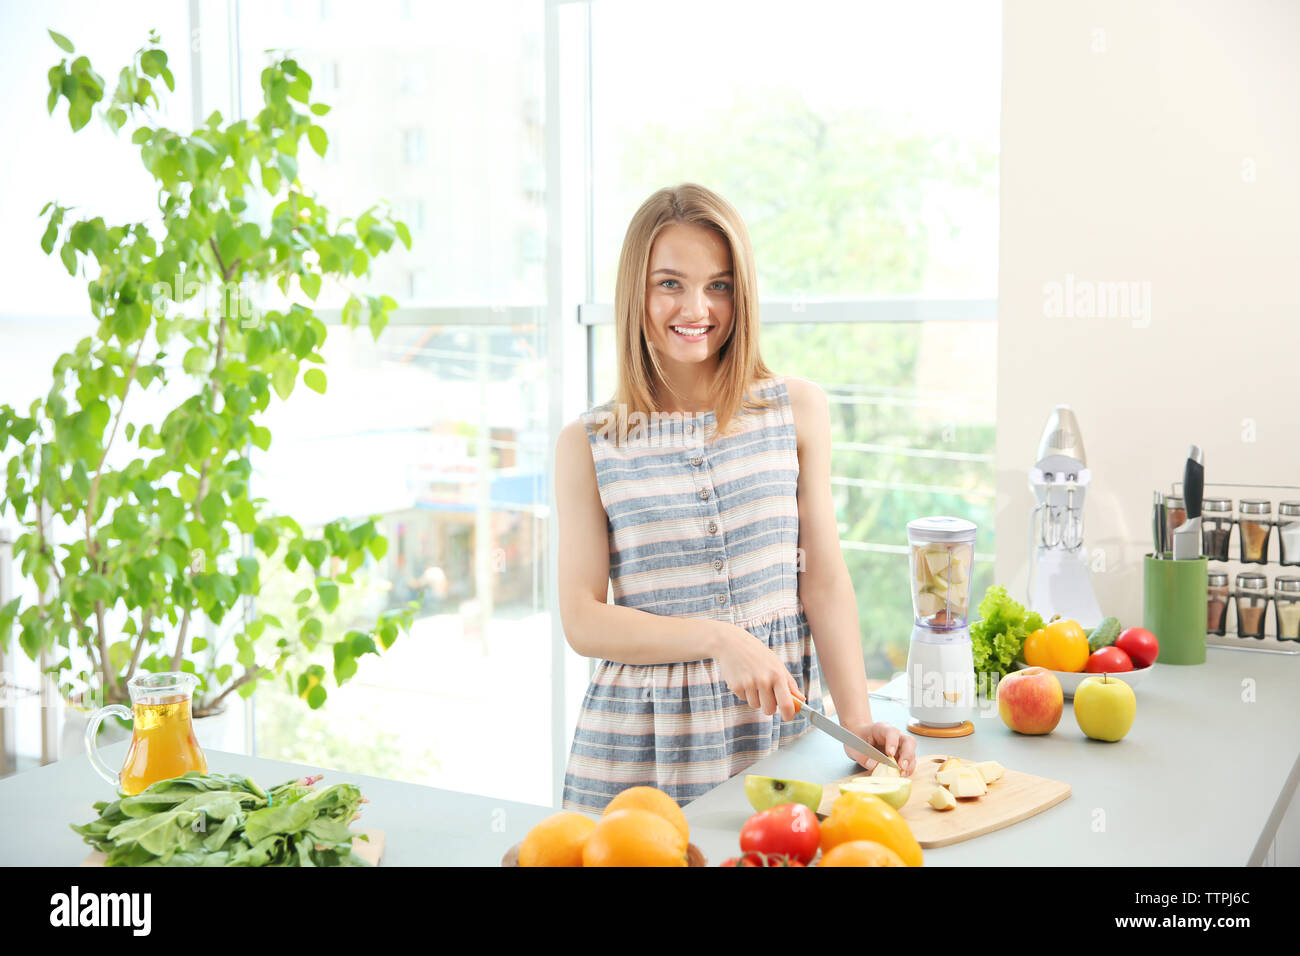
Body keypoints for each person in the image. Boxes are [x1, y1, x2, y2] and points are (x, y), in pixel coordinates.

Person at [556, 183, 917, 813]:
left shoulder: (796, 410)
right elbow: (583, 620)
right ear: (635, 291)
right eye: (670, 283)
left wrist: (857, 723)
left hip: (777, 739)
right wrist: (719, 638)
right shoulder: (589, 444)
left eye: (718, 285)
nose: (697, 307)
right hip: (638, 752)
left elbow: (823, 582)